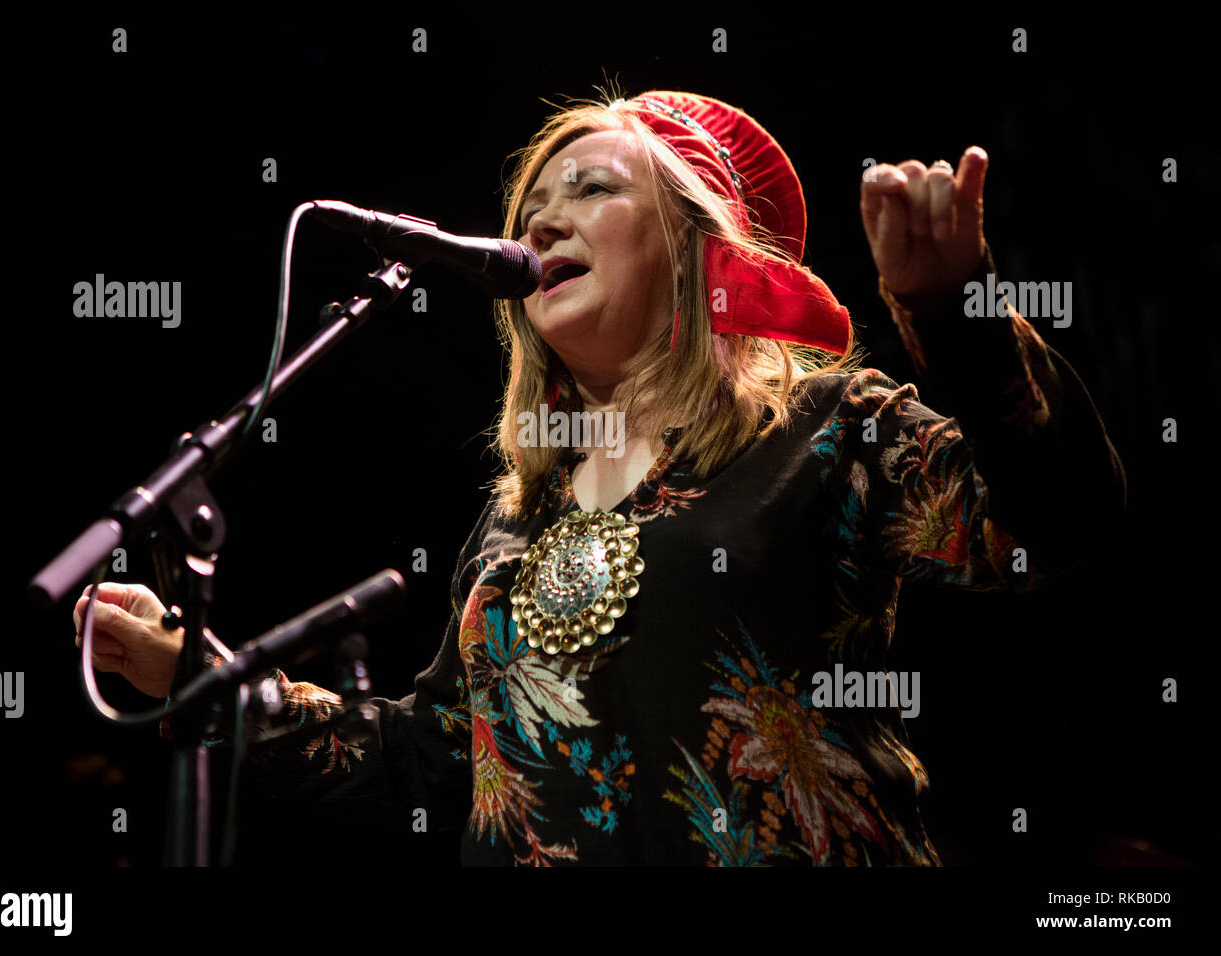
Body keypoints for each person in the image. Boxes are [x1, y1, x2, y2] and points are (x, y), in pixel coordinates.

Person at [73, 89, 1125, 866]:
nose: (538, 222)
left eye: (590, 187)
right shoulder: (512, 519)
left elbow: (1049, 531)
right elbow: (429, 763)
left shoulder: (826, 429)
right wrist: (202, 679)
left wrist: (959, 318)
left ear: (690, 244)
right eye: (528, 205)